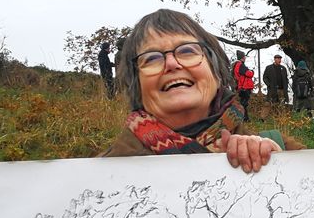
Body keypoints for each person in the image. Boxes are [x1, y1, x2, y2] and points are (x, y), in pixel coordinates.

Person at [104, 9, 303, 170]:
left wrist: (282, 168)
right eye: (152, 58)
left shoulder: (280, 149)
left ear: (216, 71)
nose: (172, 64)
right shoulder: (98, 177)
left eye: (187, 51)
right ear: (135, 82)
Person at [232, 49, 255, 121]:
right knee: (244, 103)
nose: (245, 58)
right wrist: (252, 71)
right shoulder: (240, 65)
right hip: (244, 87)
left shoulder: (237, 65)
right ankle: (242, 118)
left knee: (243, 103)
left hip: (241, 86)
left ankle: (245, 118)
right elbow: (249, 74)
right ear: (242, 57)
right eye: (244, 56)